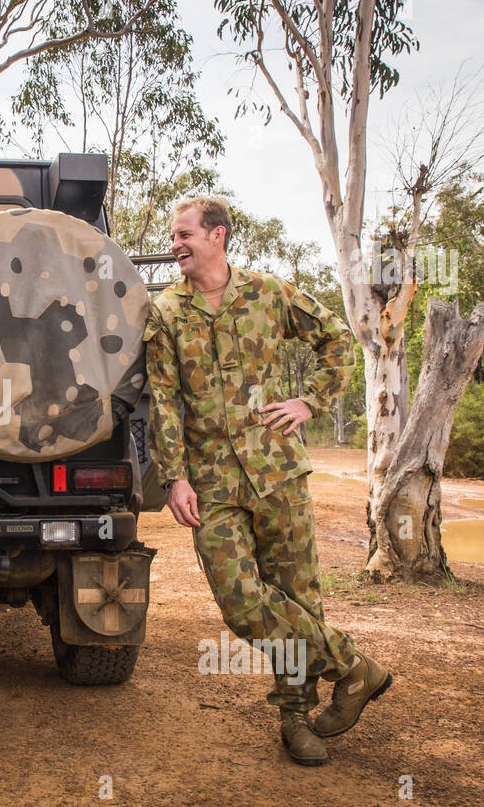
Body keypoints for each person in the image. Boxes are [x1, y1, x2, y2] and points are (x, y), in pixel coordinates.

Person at [144, 196, 392, 766]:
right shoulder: (165, 310)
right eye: (174, 236)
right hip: (211, 482)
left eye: (184, 234)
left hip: (278, 471)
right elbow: (164, 399)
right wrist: (174, 478)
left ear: (217, 236)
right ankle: (355, 669)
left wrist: (310, 401)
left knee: (298, 597)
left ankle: (295, 717)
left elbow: (336, 341)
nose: (175, 244)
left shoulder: (269, 293)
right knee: (242, 602)